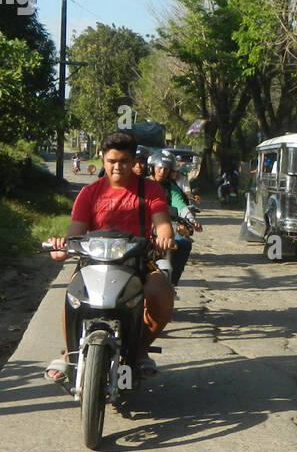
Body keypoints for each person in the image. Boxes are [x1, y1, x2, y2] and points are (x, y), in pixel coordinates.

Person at [45, 131, 176, 381]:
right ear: (103, 159)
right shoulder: (89, 193)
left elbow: (162, 223)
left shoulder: (150, 189)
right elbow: (75, 234)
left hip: (137, 261)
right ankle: (70, 353)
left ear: (133, 161)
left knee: (161, 293)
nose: (118, 167)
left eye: (124, 161)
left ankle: (139, 348)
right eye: (112, 161)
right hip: (94, 262)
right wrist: (62, 248)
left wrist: (164, 236)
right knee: (73, 295)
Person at [150, 150, 200, 286]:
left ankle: (172, 282)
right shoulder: (142, 185)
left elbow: (180, 204)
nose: (162, 171)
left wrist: (191, 220)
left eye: (166, 169)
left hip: (164, 226)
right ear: (152, 168)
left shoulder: (171, 187)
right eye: (159, 167)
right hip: (143, 226)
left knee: (183, 243)